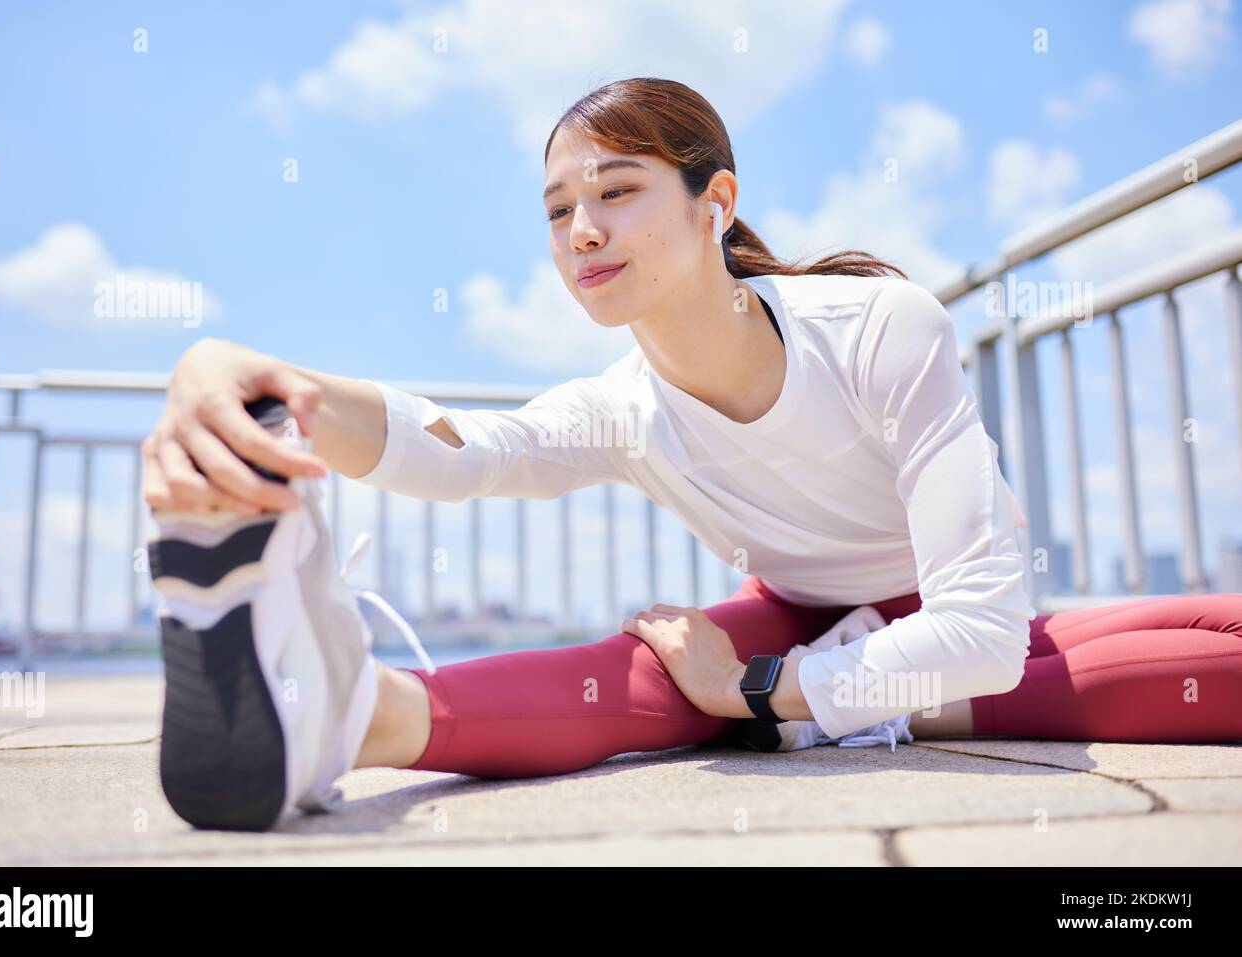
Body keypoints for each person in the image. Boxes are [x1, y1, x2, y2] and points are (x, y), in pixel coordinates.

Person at [142, 77, 1242, 831]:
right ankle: (349, 712)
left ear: (715, 201)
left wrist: (763, 690)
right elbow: (464, 447)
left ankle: (794, 702)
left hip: (953, 607)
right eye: (558, 208)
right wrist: (253, 382)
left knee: (1203, 639)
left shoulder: (879, 326)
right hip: (803, 605)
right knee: (661, 676)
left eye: (616, 192)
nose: (581, 232)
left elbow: (983, 637)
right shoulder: (621, 406)